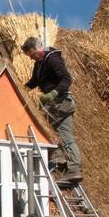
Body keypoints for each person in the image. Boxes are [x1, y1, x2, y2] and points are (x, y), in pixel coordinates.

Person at [20, 36, 82, 185]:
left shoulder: (52, 59)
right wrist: (21, 88)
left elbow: (66, 79)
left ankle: (57, 156)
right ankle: (73, 169)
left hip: (60, 102)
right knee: (65, 135)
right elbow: (34, 81)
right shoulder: (39, 63)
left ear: (37, 48)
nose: (31, 58)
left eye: (31, 55)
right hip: (59, 104)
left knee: (39, 122)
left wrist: (53, 93)